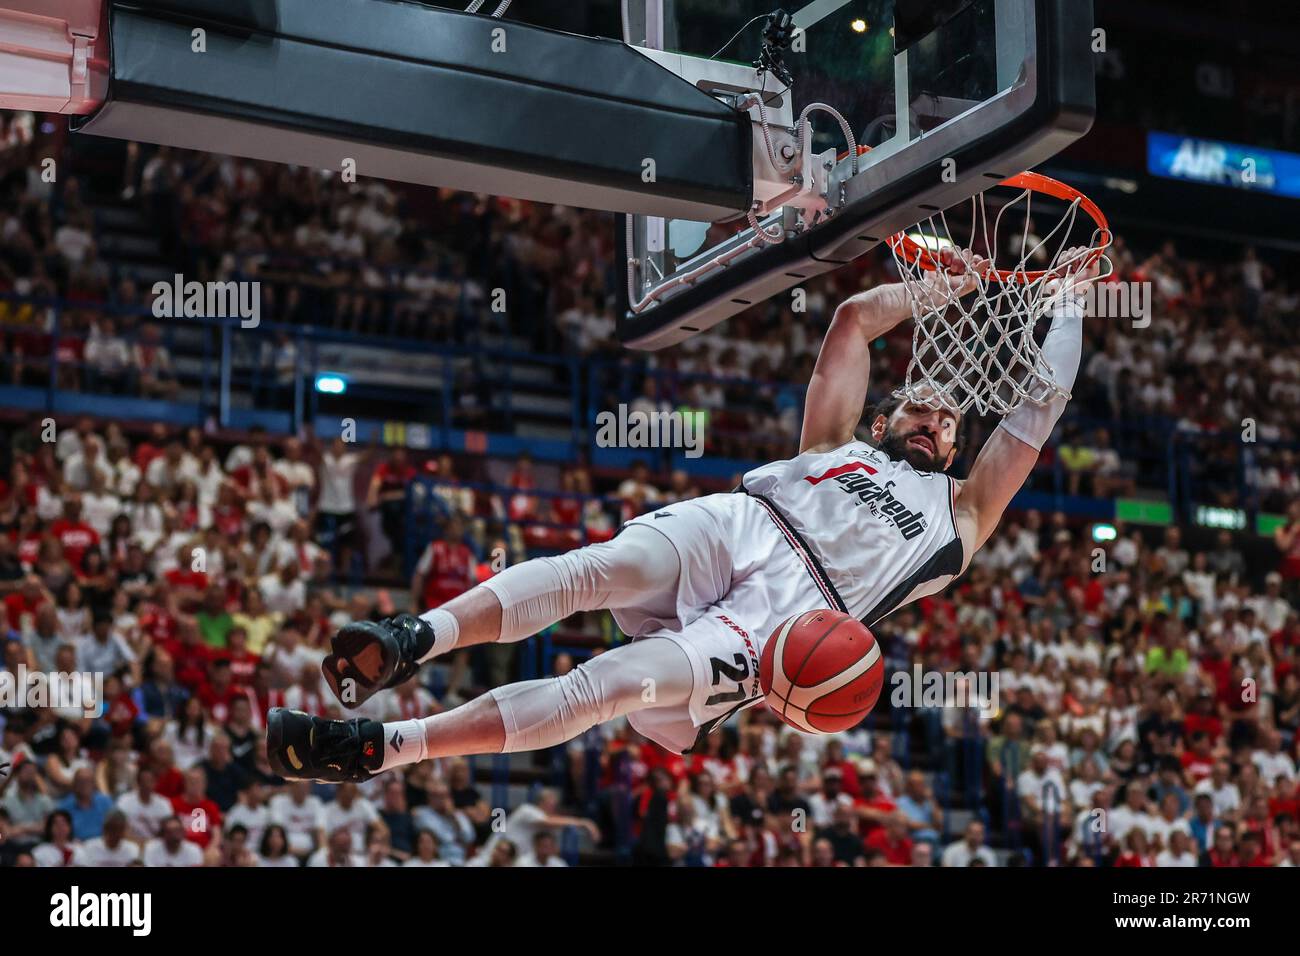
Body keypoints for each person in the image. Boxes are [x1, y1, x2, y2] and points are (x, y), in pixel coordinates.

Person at [266, 248, 1102, 781]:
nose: (936, 420)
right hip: (751, 520)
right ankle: (417, 637)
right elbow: (853, 322)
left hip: (791, 616)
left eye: (949, 422)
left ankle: (384, 748)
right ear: (881, 422)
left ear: (956, 451)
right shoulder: (832, 445)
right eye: (919, 409)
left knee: (606, 686)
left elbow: (1032, 419)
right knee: (595, 570)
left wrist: (1066, 302)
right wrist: (942, 284)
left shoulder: (959, 515)